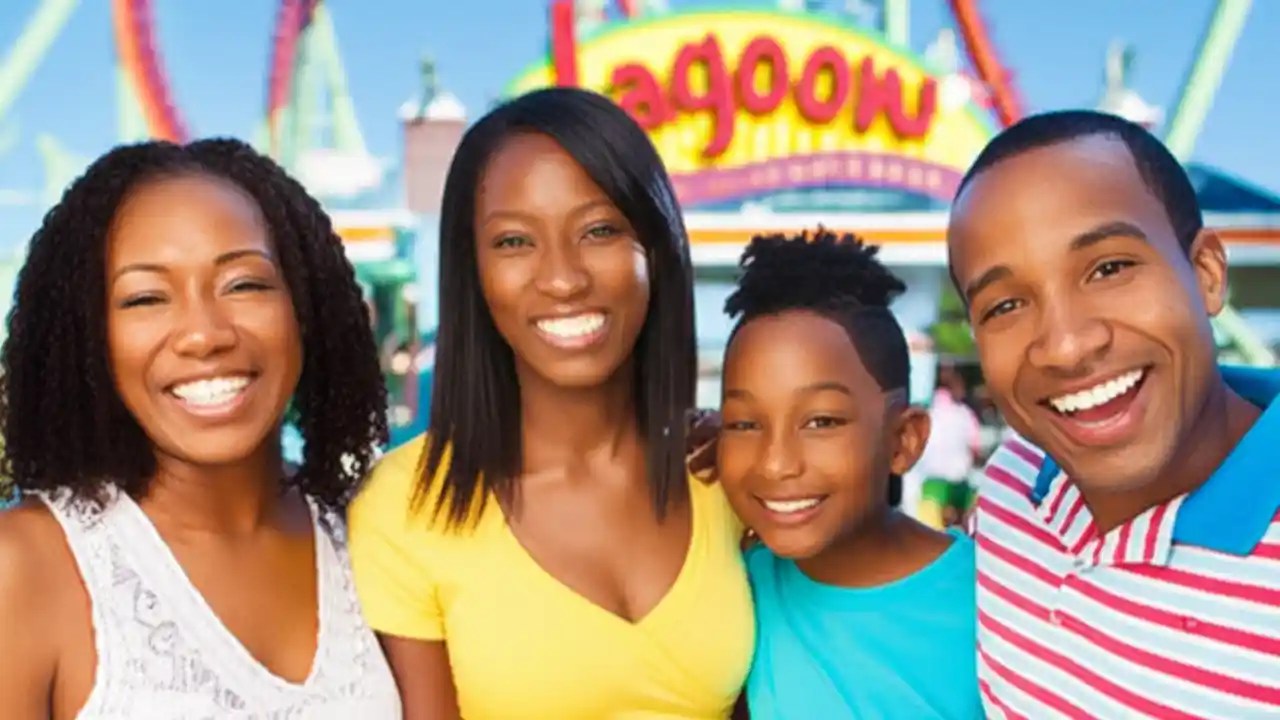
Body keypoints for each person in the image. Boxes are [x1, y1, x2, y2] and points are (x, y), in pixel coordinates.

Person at [347, 87, 754, 720]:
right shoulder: (404, 506)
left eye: (599, 230)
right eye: (514, 242)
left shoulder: (722, 473)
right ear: (472, 269)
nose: (563, 278)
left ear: (657, 249)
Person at [0, 139, 401, 718]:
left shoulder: (373, 533)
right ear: (86, 336)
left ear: (306, 307)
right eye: (145, 298)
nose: (204, 333)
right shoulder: (24, 567)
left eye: (244, 285)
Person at [948, 110, 1280, 717]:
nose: (1067, 345)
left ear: (1206, 274)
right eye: (1006, 305)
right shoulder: (1013, 481)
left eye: (1109, 269)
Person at [717, 230, 981, 718]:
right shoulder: (735, 592)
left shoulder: (994, 598)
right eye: (744, 424)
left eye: (821, 421)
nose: (775, 462)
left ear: (903, 441)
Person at [914, 365, 983, 528]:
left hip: (932, 485)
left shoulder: (925, 414)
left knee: (929, 542)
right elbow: (975, 449)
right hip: (960, 485)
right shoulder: (965, 414)